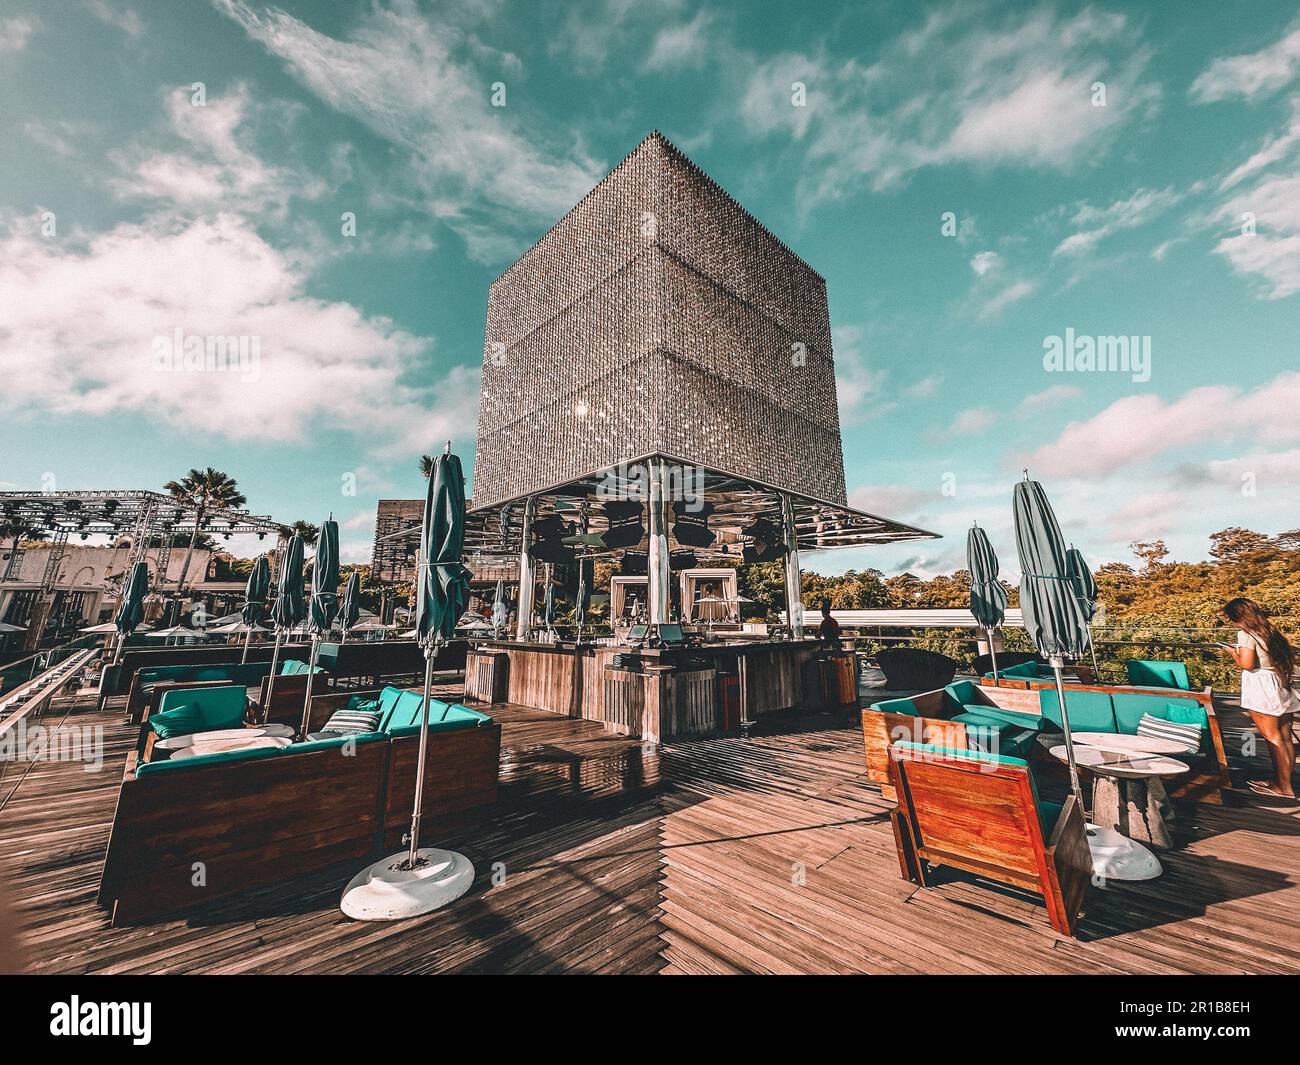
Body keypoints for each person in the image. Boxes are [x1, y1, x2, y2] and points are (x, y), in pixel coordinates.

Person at [1222, 597, 1297, 798]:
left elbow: (1247, 664)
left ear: (1237, 617)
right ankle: (1283, 781)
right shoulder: (1270, 631)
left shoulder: (1245, 635)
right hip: (1279, 682)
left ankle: (1283, 787)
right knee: (1285, 738)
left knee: (1272, 738)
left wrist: (1233, 653)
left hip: (1262, 687)